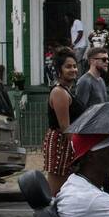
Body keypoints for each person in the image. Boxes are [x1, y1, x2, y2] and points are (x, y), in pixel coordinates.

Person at [43, 48, 80, 196]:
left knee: (67, 192)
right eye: (68, 66)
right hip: (61, 143)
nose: (73, 69)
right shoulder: (59, 92)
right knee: (57, 193)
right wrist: (80, 148)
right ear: (59, 70)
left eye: (74, 66)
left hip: (68, 143)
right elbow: (66, 127)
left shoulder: (67, 91)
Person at [73, 46, 109, 118]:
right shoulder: (85, 81)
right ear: (92, 61)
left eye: (107, 59)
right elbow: (80, 111)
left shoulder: (101, 81)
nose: (107, 62)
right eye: (104, 59)